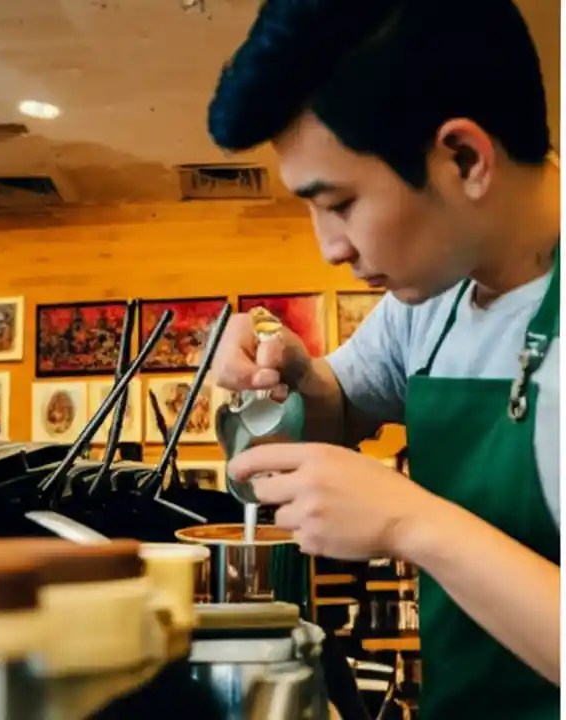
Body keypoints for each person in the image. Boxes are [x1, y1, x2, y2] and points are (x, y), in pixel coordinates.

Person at [205, 1, 560, 718]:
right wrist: (291, 375)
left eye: (338, 203)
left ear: (464, 158)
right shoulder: (429, 298)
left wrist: (411, 525)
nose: (329, 248)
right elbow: (340, 406)